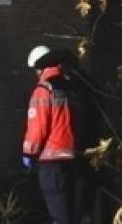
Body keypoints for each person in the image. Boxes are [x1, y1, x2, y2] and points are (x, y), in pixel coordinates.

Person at [23, 45, 82, 224]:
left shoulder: (43, 90)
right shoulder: (69, 86)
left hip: (50, 160)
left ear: (39, 68)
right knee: (69, 207)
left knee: (57, 210)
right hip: (71, 156)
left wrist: (29, 153)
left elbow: (37, 128)